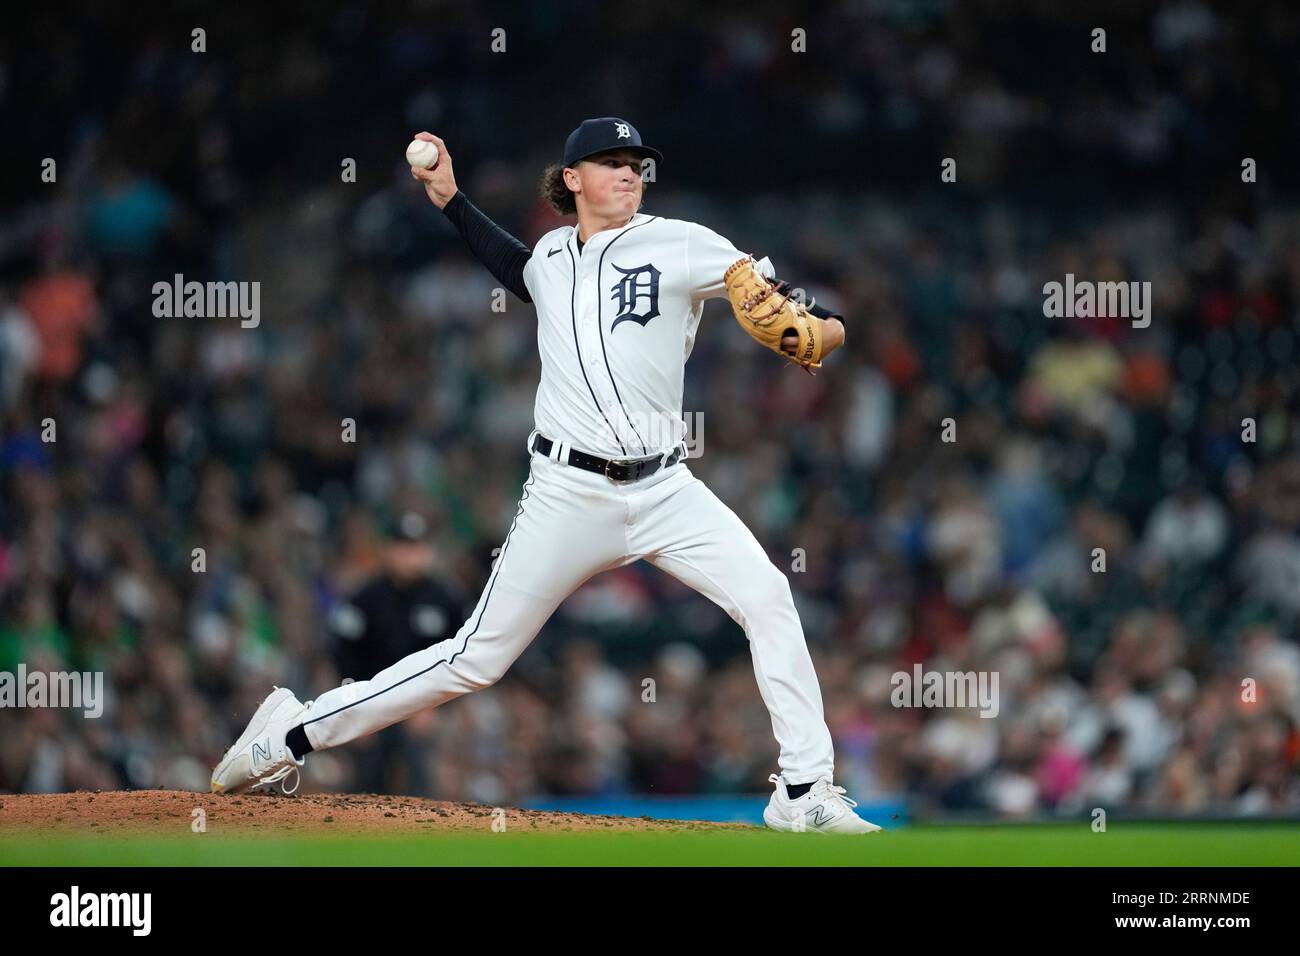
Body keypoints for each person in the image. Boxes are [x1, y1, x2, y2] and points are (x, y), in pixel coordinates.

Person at [211, 117, 880, 834]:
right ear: (571, 179)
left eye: (636, 164)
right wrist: (449, 200)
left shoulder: (686, 243)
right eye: (611, 162)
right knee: (475, 659)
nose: (629, 174)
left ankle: (804, 791)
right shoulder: (553, 256)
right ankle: (288, 733)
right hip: (568, 493)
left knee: (769, 597)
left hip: (665, 489)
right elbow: (512, 265)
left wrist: (827, 321)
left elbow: (787, 301)